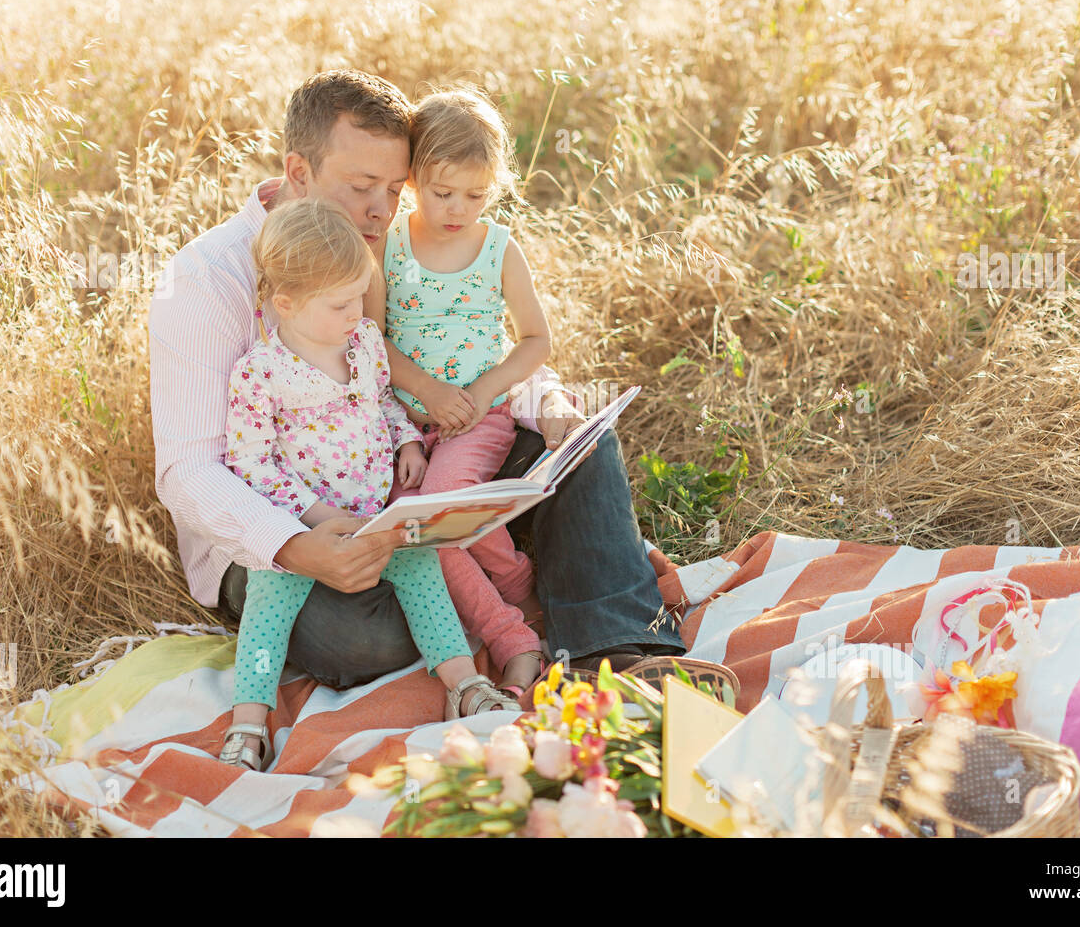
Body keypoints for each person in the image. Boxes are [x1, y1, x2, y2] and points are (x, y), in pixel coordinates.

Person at [149, 69, 696, 717]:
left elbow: (465, 353)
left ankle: (622, 652)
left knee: (579, 438)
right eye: (361, 189)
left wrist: (545, 400)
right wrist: (299, 546)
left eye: (394, 188)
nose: (382, 211)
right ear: (298, 173)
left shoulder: (387, 246)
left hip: (407, 484)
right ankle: (532, 574)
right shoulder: (203, 279)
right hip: (278, 535)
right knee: (357, 641)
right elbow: (188, 471)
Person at [218, 198, 519, 769]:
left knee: (423, 570)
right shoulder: (260, 373)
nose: (359, 311)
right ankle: (250, 723)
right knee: (267, 607)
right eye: (341, 303)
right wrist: (313, 519)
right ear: (286, 303)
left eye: (361, 295)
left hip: (377, 514)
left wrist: (406, 438)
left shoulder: (361, 347)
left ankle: (463, 683)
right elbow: (252, 463)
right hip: (303, 528)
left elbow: (380, 404)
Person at [369, 85, 551, 697]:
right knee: (413, 527)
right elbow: (372, 338)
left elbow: (533, 341)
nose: (458, 209)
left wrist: (477, 394)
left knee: (444, 501)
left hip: (478, 418)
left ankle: (521, 596)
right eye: (443, 193)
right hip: (405, 418)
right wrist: (423, 396)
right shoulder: (390, 243)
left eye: (476, 195)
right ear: (415, 179)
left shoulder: (498, 248)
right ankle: (515, 625)